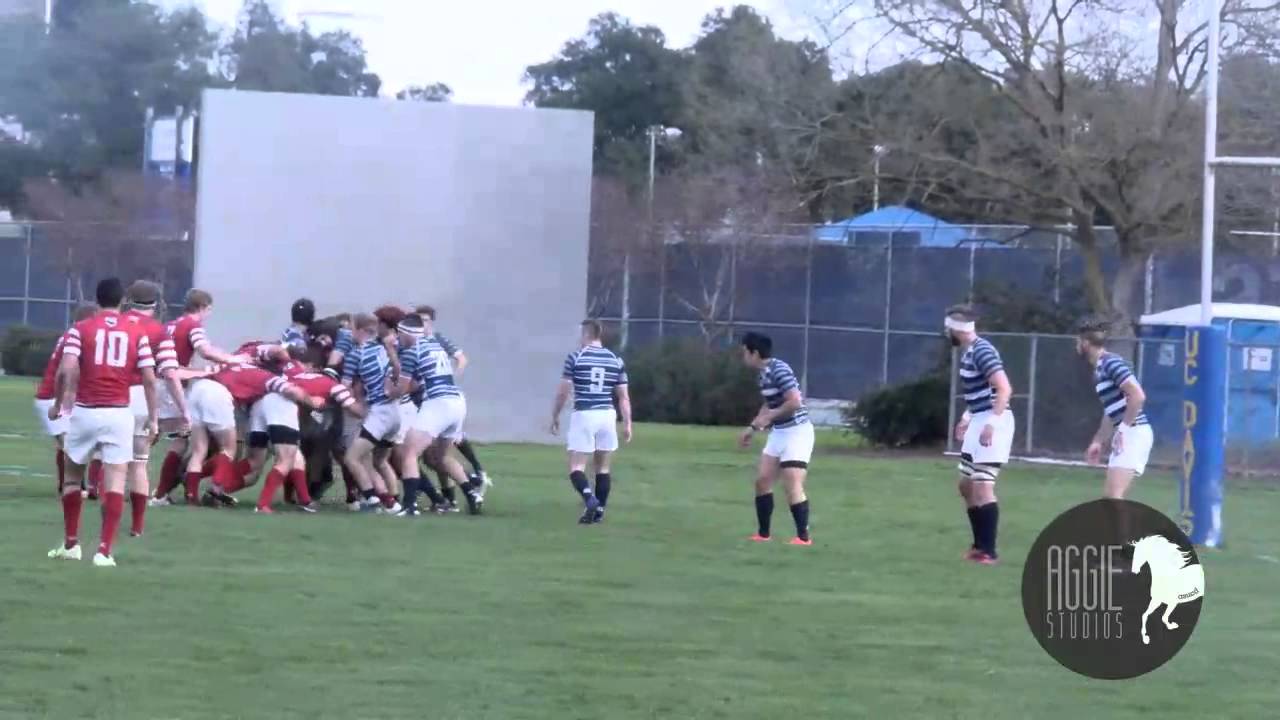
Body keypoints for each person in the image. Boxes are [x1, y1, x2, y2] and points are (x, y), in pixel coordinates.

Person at [47, 278, 159, 568]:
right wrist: (155, 418)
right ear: (123, 301)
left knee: (72, 478)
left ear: (97, 300)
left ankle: (72, 543)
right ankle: (104, 550)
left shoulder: (80, 329)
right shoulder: (136, 332)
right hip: (120, 413)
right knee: (116, 479)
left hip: (85, 410)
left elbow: (66, 369)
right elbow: (149, 378)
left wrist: (59, 404)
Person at [151, 289, 249, 507]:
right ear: (205, 307)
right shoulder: (193, 326)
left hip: (158, 382)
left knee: (167, 438)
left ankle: (161, 493)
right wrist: (232, 359)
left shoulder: (169, 325)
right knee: (182, 439)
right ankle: (161, 494)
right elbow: (204, 350)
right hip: (171, 385)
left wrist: (197, 371)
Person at [186, 361, 321, 507]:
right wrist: (313, 403)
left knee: (253, 465)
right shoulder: (278, 377)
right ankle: (296, 502)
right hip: (272, 413)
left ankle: (198, 483)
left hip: (251, 412)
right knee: (290, 459)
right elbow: (293, 391)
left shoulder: (236, 367)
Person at [395, 315, 483, 516]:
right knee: (442, 457)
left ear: (407, 334)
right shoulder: (435, 346)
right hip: (457, 402)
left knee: (408, 453)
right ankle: (472, 494)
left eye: (400, 334)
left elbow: (403, 387)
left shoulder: (411, 352)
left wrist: (389, 392)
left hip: (438, 403)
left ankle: (409, 506)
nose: (399, 338)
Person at [947, 304, 1014, 566]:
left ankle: (989, 551)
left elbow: (1004, 388)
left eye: (948, 327)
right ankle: (978, 546)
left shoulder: (983, 351)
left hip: (993, 421)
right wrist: (967, 418)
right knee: (966, 485)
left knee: (983, 486)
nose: (946, 331)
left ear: (956, 328)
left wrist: (992, 423)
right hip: (979, 419)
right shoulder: (970, 352)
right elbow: (979, 395)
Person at [122, 281, 191, 537]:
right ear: (156, 303)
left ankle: (107, 530)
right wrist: (185, 411)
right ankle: (137, 526)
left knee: (113, 464)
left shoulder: (115, 323)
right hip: (140, 398)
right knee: (139, 463)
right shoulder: (159, 331)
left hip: (110, 398)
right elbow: (171, 374)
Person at [550, 320, 632, 525]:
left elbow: (563, 391)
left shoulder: (576, 358)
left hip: (585, 414)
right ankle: (599, 512)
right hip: (607, 415)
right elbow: (623, 396)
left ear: (586, 334)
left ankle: (589, 499)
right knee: (603, 468)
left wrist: (555, 416)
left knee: (576, 467)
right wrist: (628, 423)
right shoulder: (616, 360)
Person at [738, 332, 814, 546]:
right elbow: (769, 403)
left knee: (792, 481)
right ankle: (763, 535)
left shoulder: (779, 369)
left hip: (798, 432)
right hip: (780, 432)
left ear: (755, 353)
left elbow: (795, 401)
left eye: (745, 351)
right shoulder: (763, 374)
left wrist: (769, 417)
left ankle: (803, 537)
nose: (743, 356)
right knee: (762, 481)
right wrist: (752, 427)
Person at [414, 304, 493, 502]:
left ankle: (471, 479)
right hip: (426, 399)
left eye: (424, 320)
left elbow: (462, 358)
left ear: (431, 322)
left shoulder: (438, 339)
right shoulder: (414, 342)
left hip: (440, 399)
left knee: (435, 452)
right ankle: (460, 489)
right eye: (418, 320)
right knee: (432, 456)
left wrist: (450, 378)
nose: (421, 325)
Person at [1078, 316, 1152, 499]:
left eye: (1077, 341)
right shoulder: (1100, 369)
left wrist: (1124, 430)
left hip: (1135, 433)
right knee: (1111, 498)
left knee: (1113, 497)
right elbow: (1111, 412)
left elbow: (1138, 395)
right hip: (1130, 433)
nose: (1076, 345)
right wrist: (1098, 441)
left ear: (1086, 343)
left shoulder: (1111, 363)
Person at [34, 304, 98, 497]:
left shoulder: (72, 334)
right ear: (89, 318)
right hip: (53, 395)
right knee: (70, 444)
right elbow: (69, 370)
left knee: (70, 443)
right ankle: (74, 488)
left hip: (52, 394)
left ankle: (74, 486)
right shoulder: (76, 335)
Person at [341, 312, 402, 513]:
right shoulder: (385, 348)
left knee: (351, 458)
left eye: (351, 330)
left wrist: (353, 405)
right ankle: (394, 502)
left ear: (358, 330)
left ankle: (373, 500)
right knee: (379, 461)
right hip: (396, 413)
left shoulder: (355, 354)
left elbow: (345, 387)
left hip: (380, 412)